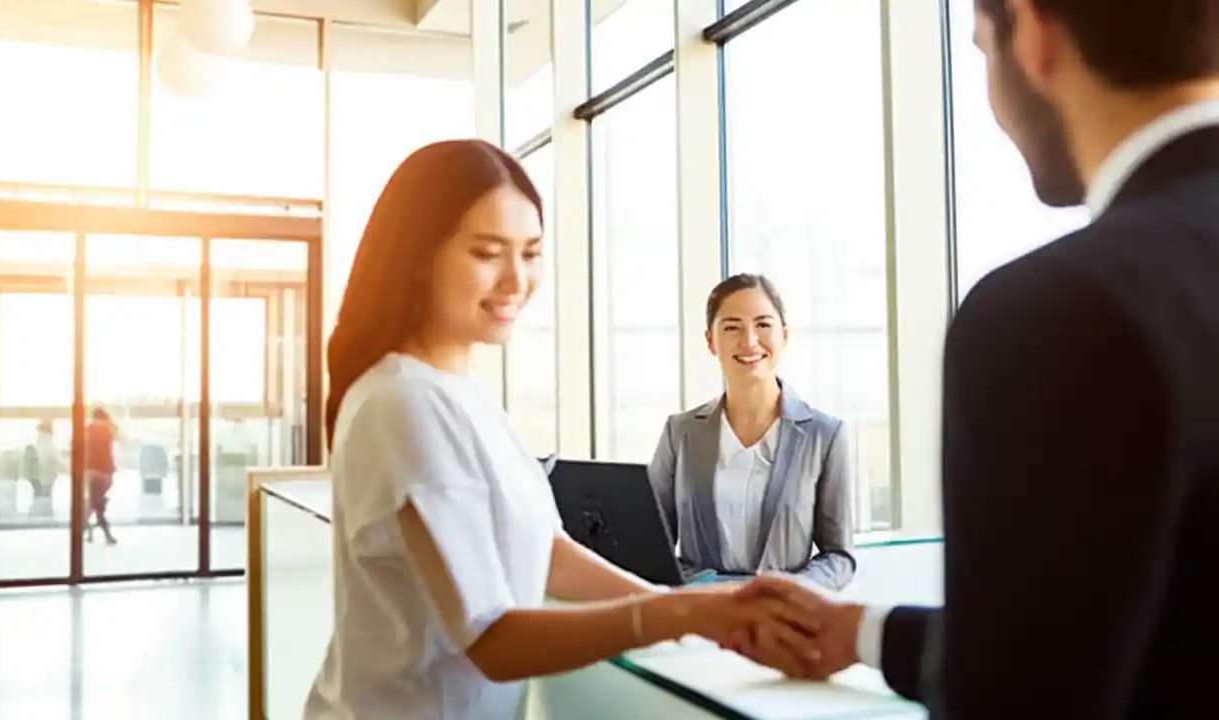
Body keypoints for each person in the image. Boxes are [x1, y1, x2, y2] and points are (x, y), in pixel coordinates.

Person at [732, 0, 1219, 716]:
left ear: (1034, 31)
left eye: (983, 49)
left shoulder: (1057, 311)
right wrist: (865, 632)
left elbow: (1022, 693)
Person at [303, 140, 825, 720]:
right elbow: (492, 639)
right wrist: (683, 614)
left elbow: (546, 552)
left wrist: (690, 611)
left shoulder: (463, 395)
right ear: (416, 255)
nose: (516, 280)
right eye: (487, 253)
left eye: (531, 253)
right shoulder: (403, 403)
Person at [648, 274, 854, 589]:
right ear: (710, 341)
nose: (749, 341)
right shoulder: (680, 433)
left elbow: (839, 556)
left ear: (784, 336)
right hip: (702, 610)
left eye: (763, 325)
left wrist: (794, 590)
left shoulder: (825, 436)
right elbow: (650, 544)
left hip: (782, 613)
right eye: (732, 327)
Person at [84, 408, 117, 545]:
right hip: (104, 473)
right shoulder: (107, 432)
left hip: (93, 472)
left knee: (95, 504)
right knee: (97, 504)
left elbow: (85, 453)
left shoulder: (88, 431)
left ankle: (86, 528)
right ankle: (104, 532)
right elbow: (109, 455)